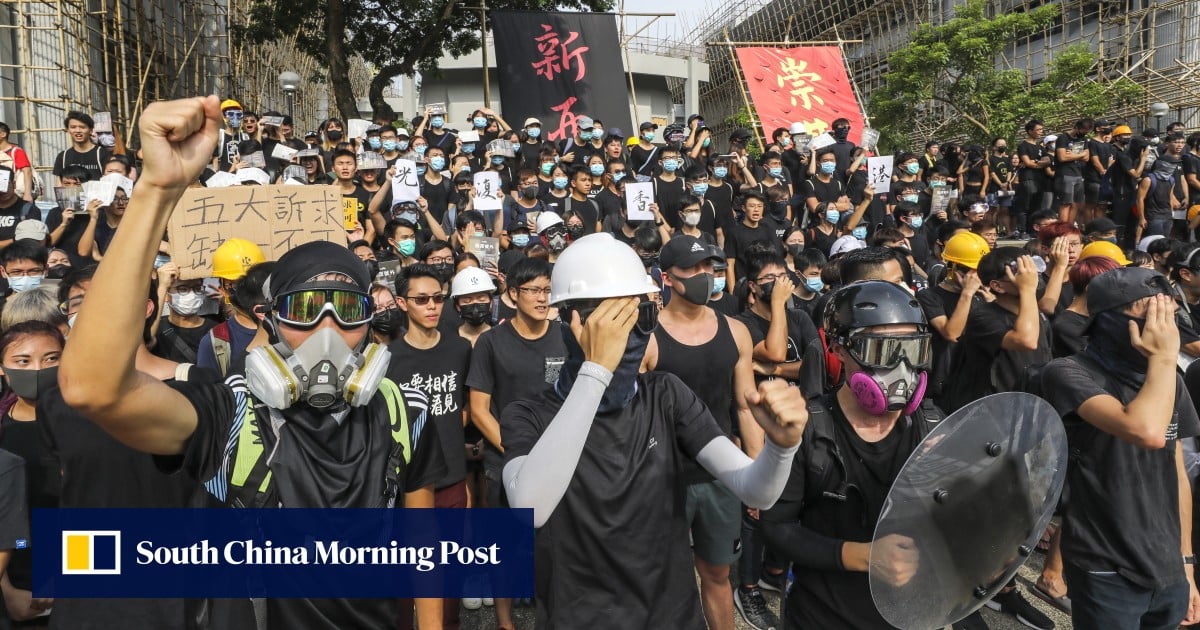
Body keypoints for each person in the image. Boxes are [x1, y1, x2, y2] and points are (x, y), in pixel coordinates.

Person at [58, 92, 446, 630]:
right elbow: (91, 388)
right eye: (306, 308)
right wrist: (154, 190)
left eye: (348, 308)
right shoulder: (227, 414)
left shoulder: (400, 411)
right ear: (270, 318)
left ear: (371, 319)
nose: (327, 329)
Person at [501, 232, 805, 627]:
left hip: (671, 614)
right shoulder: (528, 415)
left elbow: (755, 490)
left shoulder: (664, 394)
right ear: (568, 322)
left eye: (637, 317)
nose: (624, 337)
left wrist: (781, 448)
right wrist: (596, 371)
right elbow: (531, 507)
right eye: (609, 322)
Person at [760, 280, 944, 628]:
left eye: (913, 350)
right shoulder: (806, 428)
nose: (901, 368)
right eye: (882, 350)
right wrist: (864, 557)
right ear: (838, 349)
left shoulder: (934, 426)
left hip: (911, 614)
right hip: (824, 615)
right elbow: (777, 528)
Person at [1040, 268, 1200, 629]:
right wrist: (1163, 359)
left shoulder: (1167, 379)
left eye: (1170, 315)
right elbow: (1144, 430)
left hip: (1166, 562)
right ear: (1110, 321)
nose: (1165, 328)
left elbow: (1175, 472)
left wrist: (1186, 564)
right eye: (1151, 315)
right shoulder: (1068, 372)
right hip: (1105, 564)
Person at [639, 236, 761, 630]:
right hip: (663, 479)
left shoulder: (736, 331)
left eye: (708, 267)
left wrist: (756, 473)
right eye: (692, 269)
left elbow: (744, 405)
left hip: (720, 476)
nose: (703, 276)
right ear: (667, 278)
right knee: (659, 579)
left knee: (718, 574)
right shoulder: (648, 338)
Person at [466, 256, 564, 630]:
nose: (543, 298)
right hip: (505, 463)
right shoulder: (491, 343)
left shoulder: (565, 336)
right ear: (511, 294)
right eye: (534, 290)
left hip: (558, 463)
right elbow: (479, 411)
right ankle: (505, 623)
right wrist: (517, 452)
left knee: (554, 554)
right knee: (504, 553)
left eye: (547, 290)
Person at [388, 263, 472, 630]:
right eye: (421, 300)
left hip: (453, 479)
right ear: (401, 303)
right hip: (409, 488)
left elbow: (467, 407)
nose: (432, 306)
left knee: (449, 573)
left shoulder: (459, 349)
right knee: (411, 574)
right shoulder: (388, 360)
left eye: (438, 298)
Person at [0, 321, 61, 625]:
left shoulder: (92, 426)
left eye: (51, 358)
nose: (38, 370)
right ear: (2, 368)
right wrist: (7, 590)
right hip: (15, 581)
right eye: (23, 361)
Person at [52, 111, 111, 183]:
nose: (78, 130)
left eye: (82, 127)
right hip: (71, 194)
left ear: (91, 130)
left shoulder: (103, 154)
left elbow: (110, 182)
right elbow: (59, 186)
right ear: (68, 130)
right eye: (73, 127)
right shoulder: (63, 156)